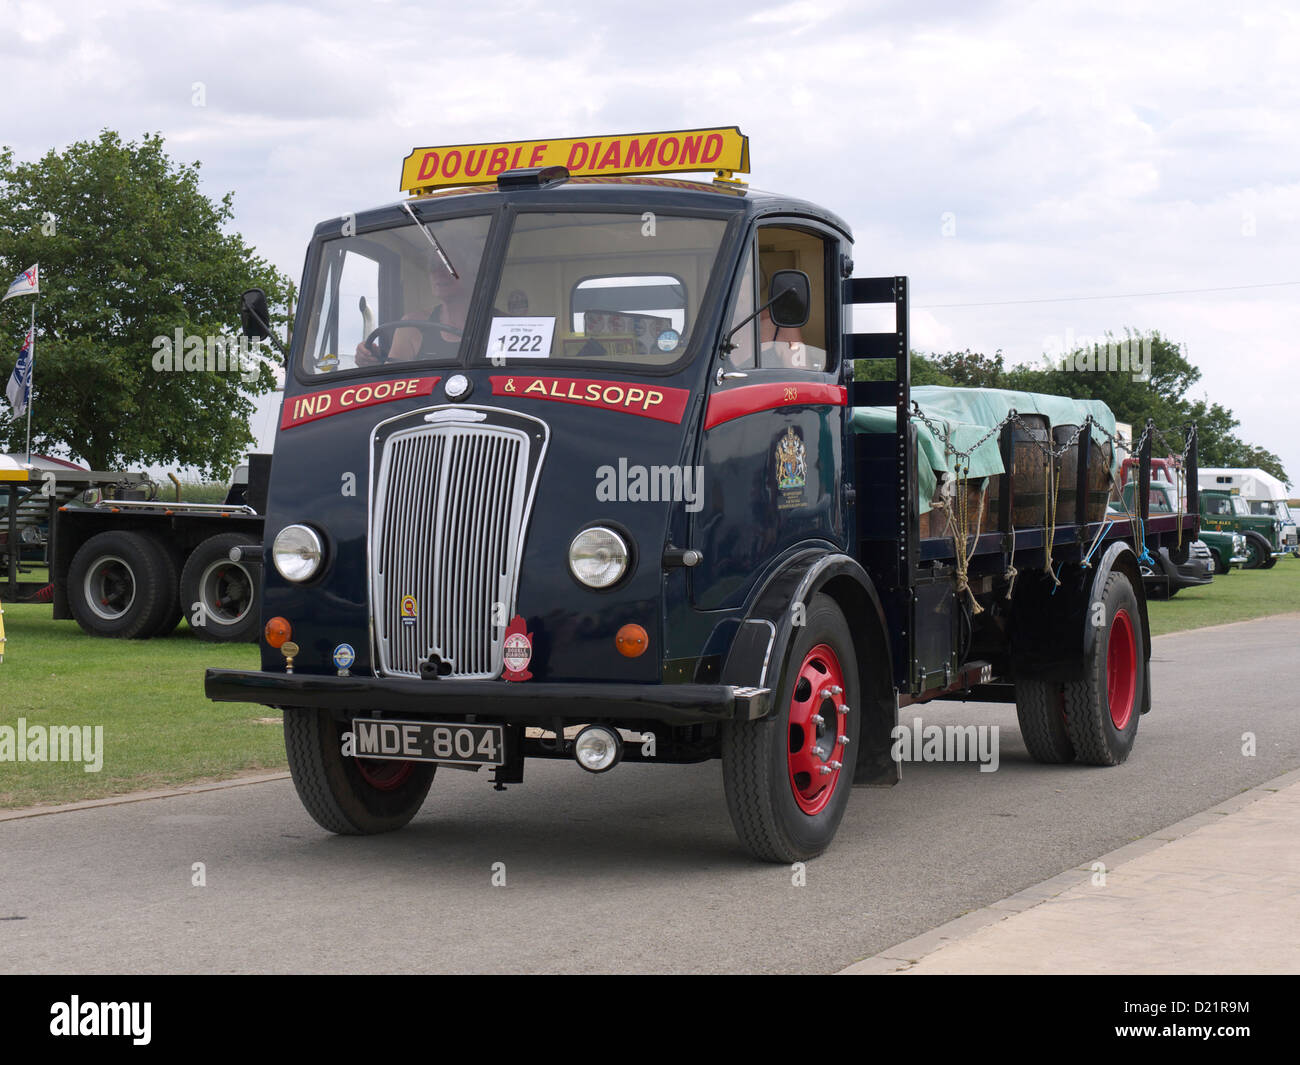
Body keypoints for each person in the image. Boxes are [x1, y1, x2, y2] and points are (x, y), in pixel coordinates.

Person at [355, 233, 481, 366]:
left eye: (447, 265)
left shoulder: (501, 323)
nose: (437, 272)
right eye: (433, 266)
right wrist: (371, 362)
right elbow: (393, 381)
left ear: (473, 271)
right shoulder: (411, 325)